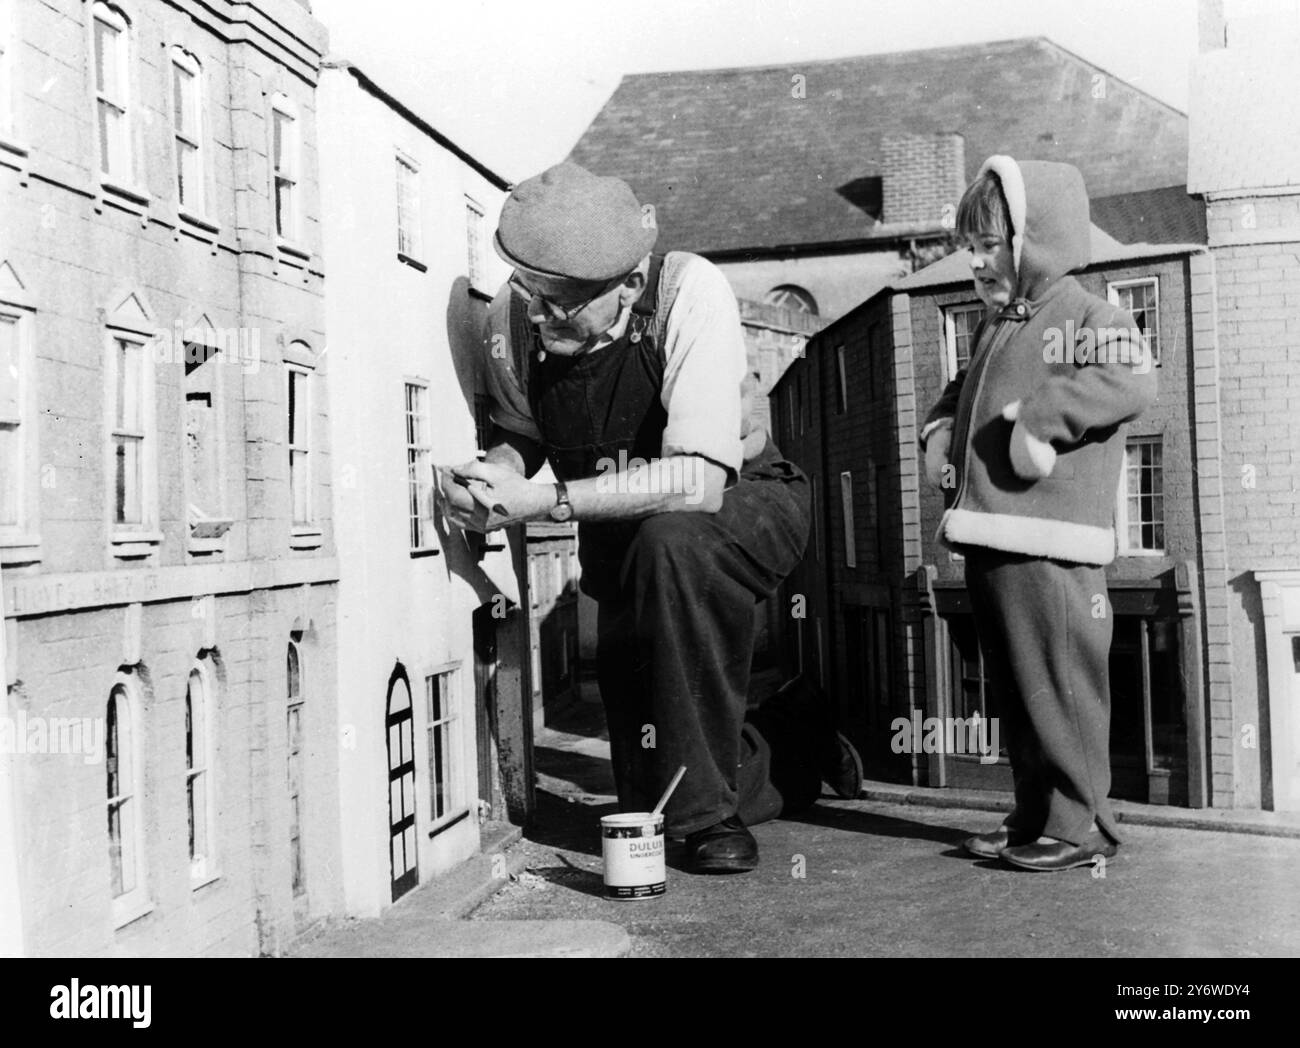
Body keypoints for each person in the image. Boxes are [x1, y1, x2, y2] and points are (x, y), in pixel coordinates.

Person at [438, 162, 861, 873]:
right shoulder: (518, 312)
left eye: (561, 305)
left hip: (742, 504)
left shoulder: (689, 291)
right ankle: (788, 740)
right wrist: (499, 476)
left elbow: (696, 480)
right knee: (648, 790)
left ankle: (710, 822)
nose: (538, 316)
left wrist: (546, 501)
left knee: (673, 542)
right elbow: (523, 430)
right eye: (531, 294)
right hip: (626, 533)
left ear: (628, 284)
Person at [920, 155, 1156, 872]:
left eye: (990, 242)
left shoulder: (1088, 314)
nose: (977, 259)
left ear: (1037, 238)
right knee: (1021, 687)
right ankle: (1035, 815)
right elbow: (959, 392)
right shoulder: (1001, 323)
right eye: (971, 244)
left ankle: (1081, 825)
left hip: (1053, 543)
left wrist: (1039, 420)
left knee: (1061, 682)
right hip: (993, 534)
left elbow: (1130, 378)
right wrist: (938, 431)